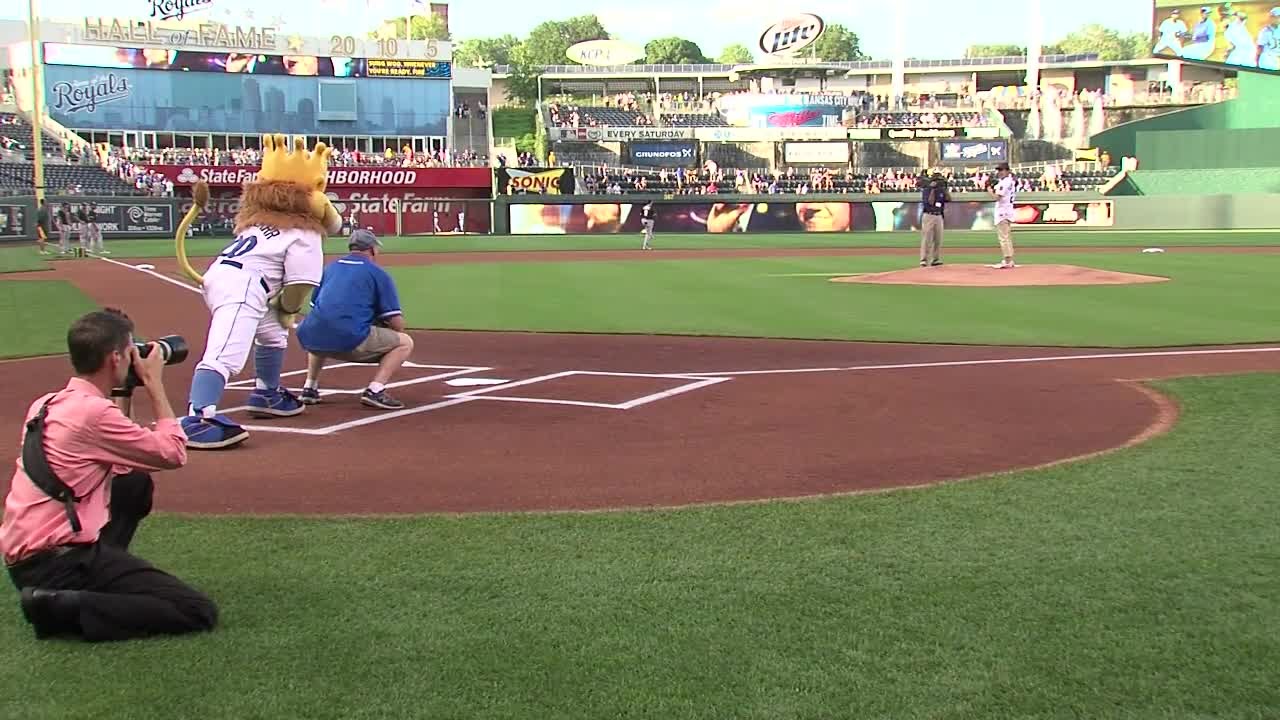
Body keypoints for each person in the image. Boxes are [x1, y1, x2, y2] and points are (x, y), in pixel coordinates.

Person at [1, 309, 218, 642]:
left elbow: (122, 462)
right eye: (132, 350)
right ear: (115, 357)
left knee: (133, 483)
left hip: (26, 560)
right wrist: (154, 383)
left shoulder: (47, 403)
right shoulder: (93, 413)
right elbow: (172, 453)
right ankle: (64, 606)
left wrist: (124, 390)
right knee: (195, 610)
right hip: (59, 564)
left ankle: (100, 573)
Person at [296, 230, 414, 410]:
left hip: (310, 338)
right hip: (349, 340)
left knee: (321, 326)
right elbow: (397, 324)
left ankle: (309, 388)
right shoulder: (377, 273)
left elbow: (316, 307)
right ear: (372, 250)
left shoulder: (329, 268)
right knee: (405, 342)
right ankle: (375, 390)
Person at [988, 162, 1017, 269]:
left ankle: (1008, 260)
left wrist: (989, 190)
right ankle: (1009, 259)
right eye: (998, 170)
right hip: (1007, 210)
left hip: (1003, 212)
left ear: (1007, 170)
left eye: (1001, 170)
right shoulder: (1009, 181)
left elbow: (997, 197)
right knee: (1006, 237)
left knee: (1003, 237)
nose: (999, 172)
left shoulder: (1005, 182)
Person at [919, 174, 950, 267]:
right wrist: (933, 189)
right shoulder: (927, 190)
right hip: (929, 215)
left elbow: (949, 199)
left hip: (939, 215)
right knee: (927, 238)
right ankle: (923, 260)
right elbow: (930, 202)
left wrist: (945, 189)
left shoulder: (941, 190)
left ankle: (935, 259)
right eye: (938, 181)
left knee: (938, 239)